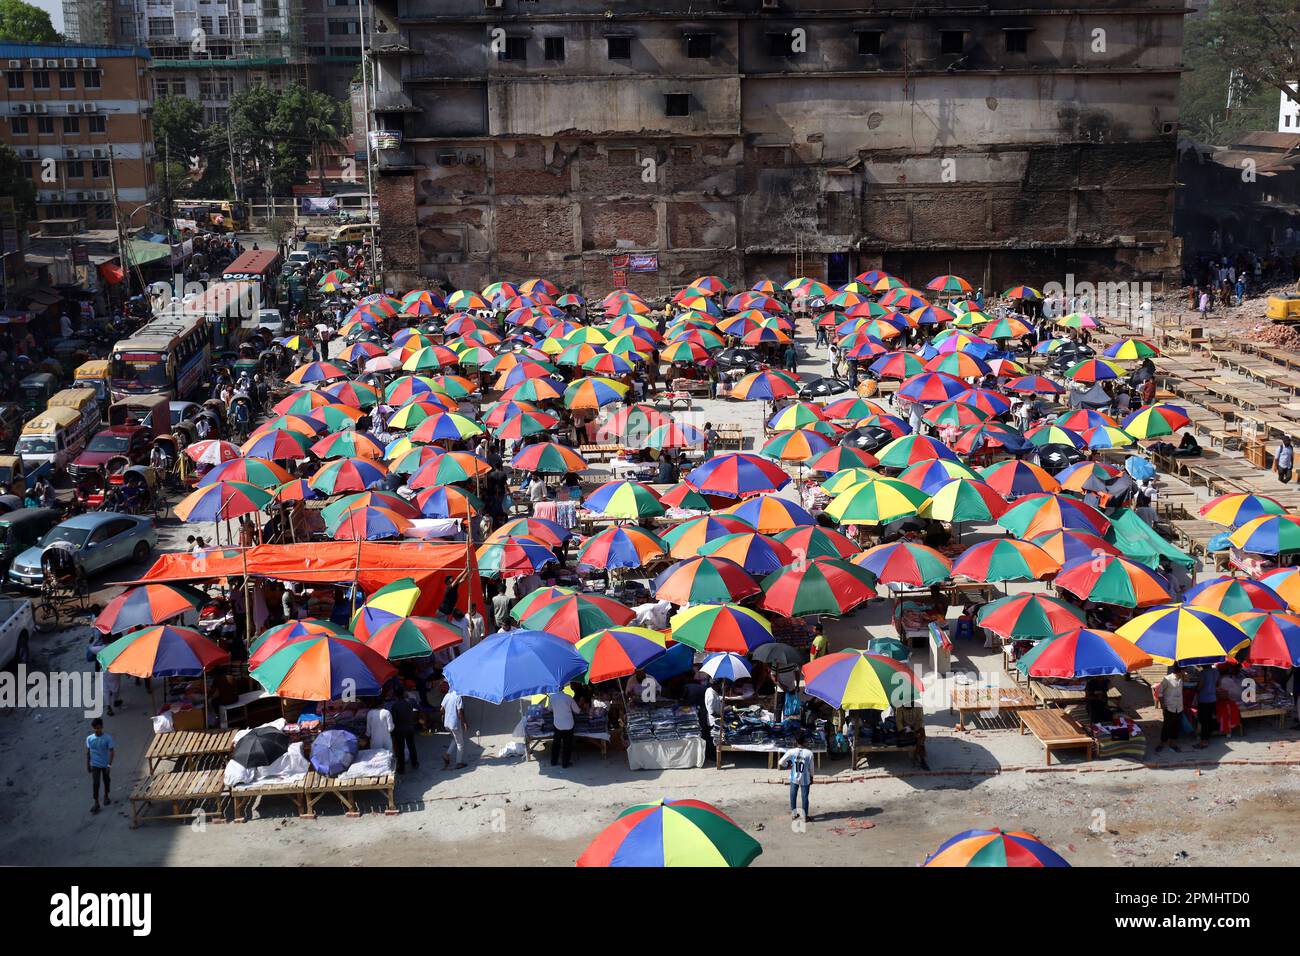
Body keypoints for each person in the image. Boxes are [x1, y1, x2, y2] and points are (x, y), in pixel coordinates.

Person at [777, 731, 815, 821]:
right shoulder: (809, 753)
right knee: (805, 797)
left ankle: (794, 814)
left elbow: (780, 762)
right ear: (805, 741)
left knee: (793, 795)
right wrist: (812, 777)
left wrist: (788, 765)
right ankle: (805, 816)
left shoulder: (791, 752)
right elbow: (812, 768)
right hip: (805, 778)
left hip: (794, 777)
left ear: (795, 741)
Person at [548, 685, 583, 769]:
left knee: (556, 744)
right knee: (567, 745)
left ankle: (553, 761)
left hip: (557, 723)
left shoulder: (552, 697)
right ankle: (565, 763)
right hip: (568, 724)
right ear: (563, 688)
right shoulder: (568, 697)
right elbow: (577, 711)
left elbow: (550, 709)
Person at [86, 717, 114, 814]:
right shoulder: (89, 739)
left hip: (105, 764)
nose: (97, 730)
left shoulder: (108, 738)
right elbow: (88, 751)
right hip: (95, 765)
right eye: (95, 728)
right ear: (93, 728)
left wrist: (109, 765)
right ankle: (96, 802)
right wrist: (88, 764)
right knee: (96, 783)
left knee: (106, 780)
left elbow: (112, 752)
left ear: (102, 727)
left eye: (99, 728)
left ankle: (106, 796)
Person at [1155, 665, 1185, 753]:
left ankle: (1173, 744)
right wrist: (1163, 706)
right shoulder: (1167, 679)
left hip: (1179, 706)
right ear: (1180, 671)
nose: (1185, 672)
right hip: (1169, 706)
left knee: (1176, 726)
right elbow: (1159, 693)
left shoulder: (1181, 679)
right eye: (1184, 671)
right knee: (1167, 726)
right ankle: (1161, 743)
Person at [441, 683, 468, 769]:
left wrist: (444, 715)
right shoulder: (458, 696)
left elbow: (441, 709)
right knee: (460, 743)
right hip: (454, 723)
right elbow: (460, 711)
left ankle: (447, 754)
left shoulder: (447, 695)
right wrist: (464, 722)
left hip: (447, 724)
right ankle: (459, 762)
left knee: (455, 739)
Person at [389, 693, 419, 772]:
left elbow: (394, 719)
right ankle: (415, 763)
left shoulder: (395, 706)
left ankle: (401, 768)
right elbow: (415, 712)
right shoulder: (409, 703)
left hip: (399, 730)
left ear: (396, 696)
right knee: (411, 746)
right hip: (409, 728)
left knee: (400, 749)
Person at [1195, 665, 1219, 749]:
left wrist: (1196, 688)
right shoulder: (1216, 672)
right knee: (1210, 718)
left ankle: (1204, 741)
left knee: (1204, 720)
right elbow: (1216, 683)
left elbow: (1201, 685)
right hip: (1213, 698)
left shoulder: (1203, 673)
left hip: (1204, 699)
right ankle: (1208, 736)